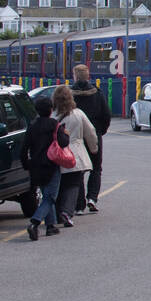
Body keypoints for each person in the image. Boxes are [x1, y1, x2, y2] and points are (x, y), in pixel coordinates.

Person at [20, 95, 68, 241]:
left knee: (46, 195)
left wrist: (26, 164)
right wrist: (66, 134)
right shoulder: (54, 125)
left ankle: (50, 226)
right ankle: (34, 222)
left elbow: (24, 148)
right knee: (50, 197)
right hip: (51, 165)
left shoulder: (32, 125)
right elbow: (64, 143)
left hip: (36, 166)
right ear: (51, 109)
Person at [52, 84, 99, 228]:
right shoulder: (78, 114)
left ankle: (58, 213)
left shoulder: (53, 115)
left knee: (59, 185)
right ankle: (67, 211)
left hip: (57, 154)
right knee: (73, 185)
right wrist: (93, 148)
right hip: (75, 154)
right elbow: (90, 132)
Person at [71, 64, 111, 213]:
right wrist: (101, 130)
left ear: (75, 76)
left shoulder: (70, 94)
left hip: (76, 137)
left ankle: (79, 205)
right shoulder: (97, 93)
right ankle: (92, 198)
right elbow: (106, 114)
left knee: (78, 170)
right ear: (88, 76)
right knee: (96, 168)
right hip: (94, 134)